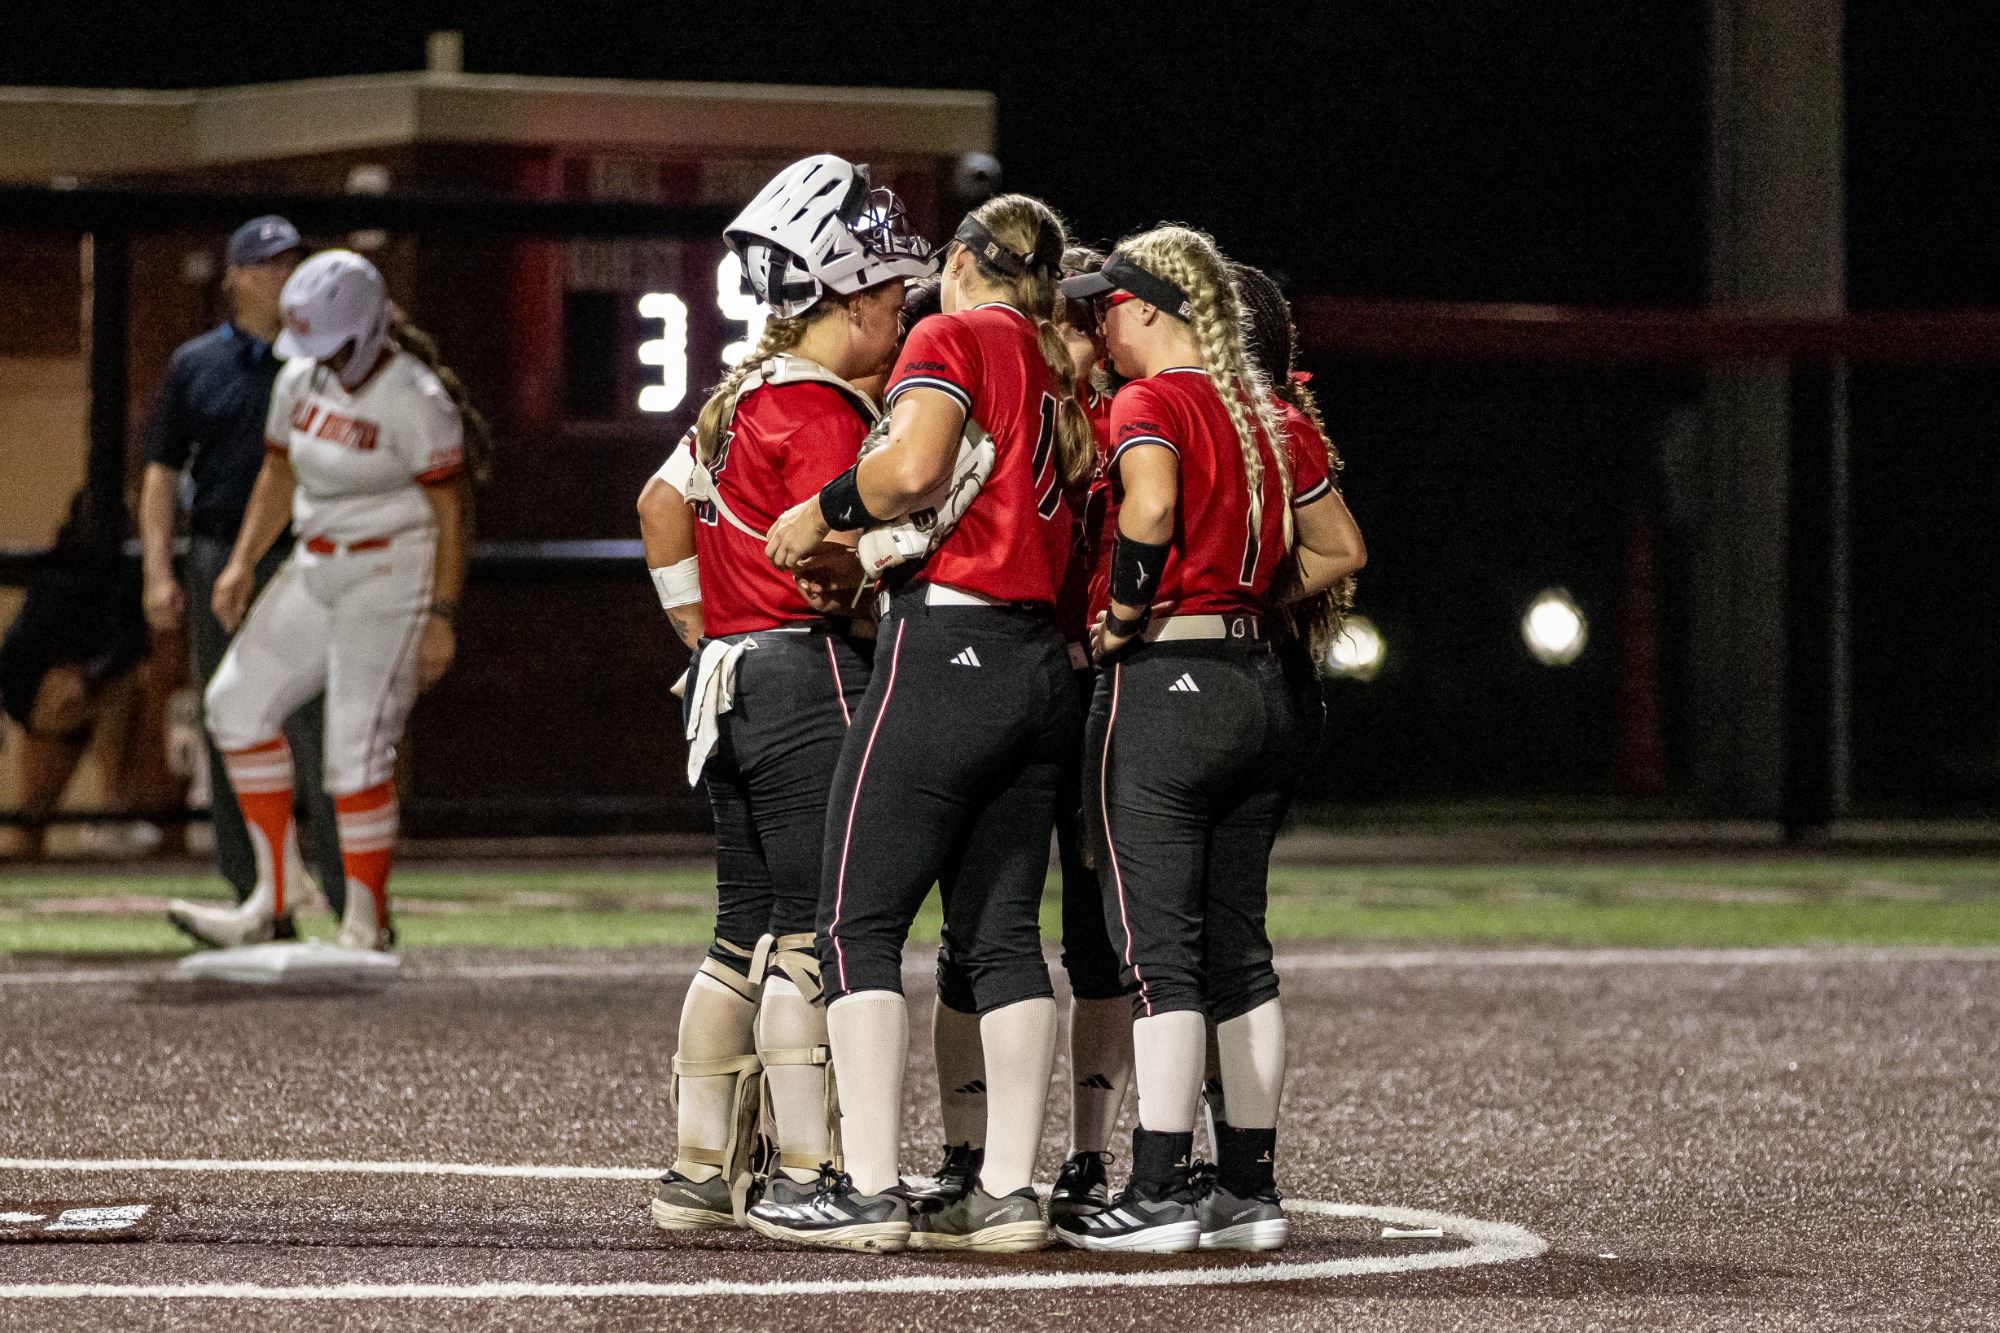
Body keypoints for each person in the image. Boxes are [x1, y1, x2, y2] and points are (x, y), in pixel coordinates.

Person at [751, 193, 1095, 1254]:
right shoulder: (1053, 356)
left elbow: (910, 470)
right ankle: (1004, 1191)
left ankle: (863, 1188)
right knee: (999, 937)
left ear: (957, 263)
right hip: (1039, 663)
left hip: (946, 648)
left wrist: (826, 513)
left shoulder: (955, 333)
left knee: (856, 920)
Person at [1053, 226, 1365, 1253]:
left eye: (1109, 304)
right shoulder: (1272, 413)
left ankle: (1151, 1191)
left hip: (1166, 688)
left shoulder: (1152, 401)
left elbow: (1145, 509)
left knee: (1159, 957)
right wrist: (1242, 601)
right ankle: (1248, 1191)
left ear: (1151, 308)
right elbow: (1341, 549)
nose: (1101, 321)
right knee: (1240, 952)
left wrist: (1122, 621)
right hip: (1259, 685)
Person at [636, 155, 930, 1232]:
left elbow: (656, 506)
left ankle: (700, 1170)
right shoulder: (818, 407)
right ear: (845, 292)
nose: (901, 314)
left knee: (740, 932)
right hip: (806, 674)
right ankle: (811, 1176)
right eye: (890, 295)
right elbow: (864, 548)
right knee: (819, 931)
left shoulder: (733, 396)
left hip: (730, 676)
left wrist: (699, 625)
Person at [165, 249, 482, 952]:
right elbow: (278, 474)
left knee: (354, 751)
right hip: (314, 562)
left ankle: (365, 924)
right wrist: (243, 560)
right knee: (234, 705)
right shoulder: (301, 379)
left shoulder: (414, 398)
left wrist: (441, 614)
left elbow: (449, 513)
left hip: (389, 574)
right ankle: (272, 899)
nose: (314, 354)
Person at [914, 245, 1137, 1228]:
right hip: (1023, 670)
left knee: (1100, 939)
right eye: (1073, 311)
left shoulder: (1124, 416)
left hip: (1092, 687)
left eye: (1098, 314)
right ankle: (972, 1154)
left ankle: (1090, 1155)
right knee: (976, 933)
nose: (1085, 330)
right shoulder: (1025, 400)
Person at [139, 215, 347, 927]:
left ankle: (355, 903)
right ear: (234, 275)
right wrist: (157, 572)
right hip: (222, 555)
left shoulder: (328, 358)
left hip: (311, 555)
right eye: (269, 263)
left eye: (293, 261)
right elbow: (160, 475)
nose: (284, 275)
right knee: (232, 720)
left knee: (327, 729)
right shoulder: (197, 364)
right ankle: (256, 895)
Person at [0, 489, 149, 859]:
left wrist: (89, 676)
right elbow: (19, 651)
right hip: (48, 698)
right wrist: (47, 691)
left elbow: (131, 642)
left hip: (100, 697)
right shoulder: (58, 573)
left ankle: (114, 814)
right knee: (32, 816)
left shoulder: (130, 572)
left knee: (126, 684)